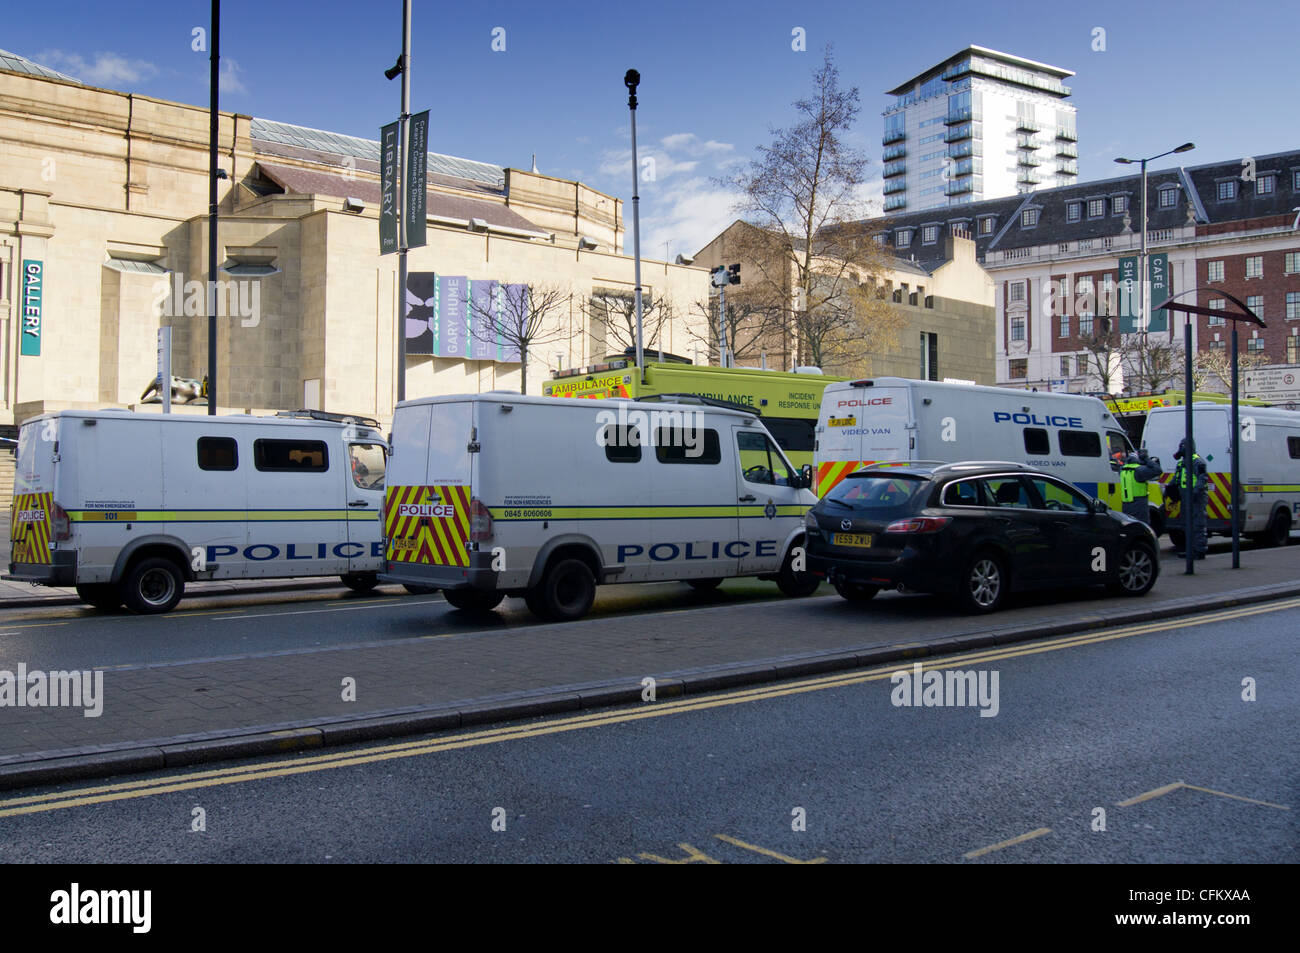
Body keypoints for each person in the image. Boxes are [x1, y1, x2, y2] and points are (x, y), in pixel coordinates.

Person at [1168, 437, 1208, 559]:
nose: (1181, 449)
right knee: (1186, 524)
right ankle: (1190, 550)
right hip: (1185, 497)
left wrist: (1196, 491)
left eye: (1183, 446)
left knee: (1197, 524)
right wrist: (1169, 489)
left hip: (1196, 497)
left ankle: (1199, 551)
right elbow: (1177, 478)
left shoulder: (1197, 461)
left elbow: (1202, 478)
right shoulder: (1181, 462)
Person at [1120, 449, 1162, 524]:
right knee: (1142, 527)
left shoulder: (1122, 470)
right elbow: (1158, 470)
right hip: (1139, 505)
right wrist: (1146, 458)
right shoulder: (1139, 470)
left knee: (1129, 527)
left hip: (1126, 505)